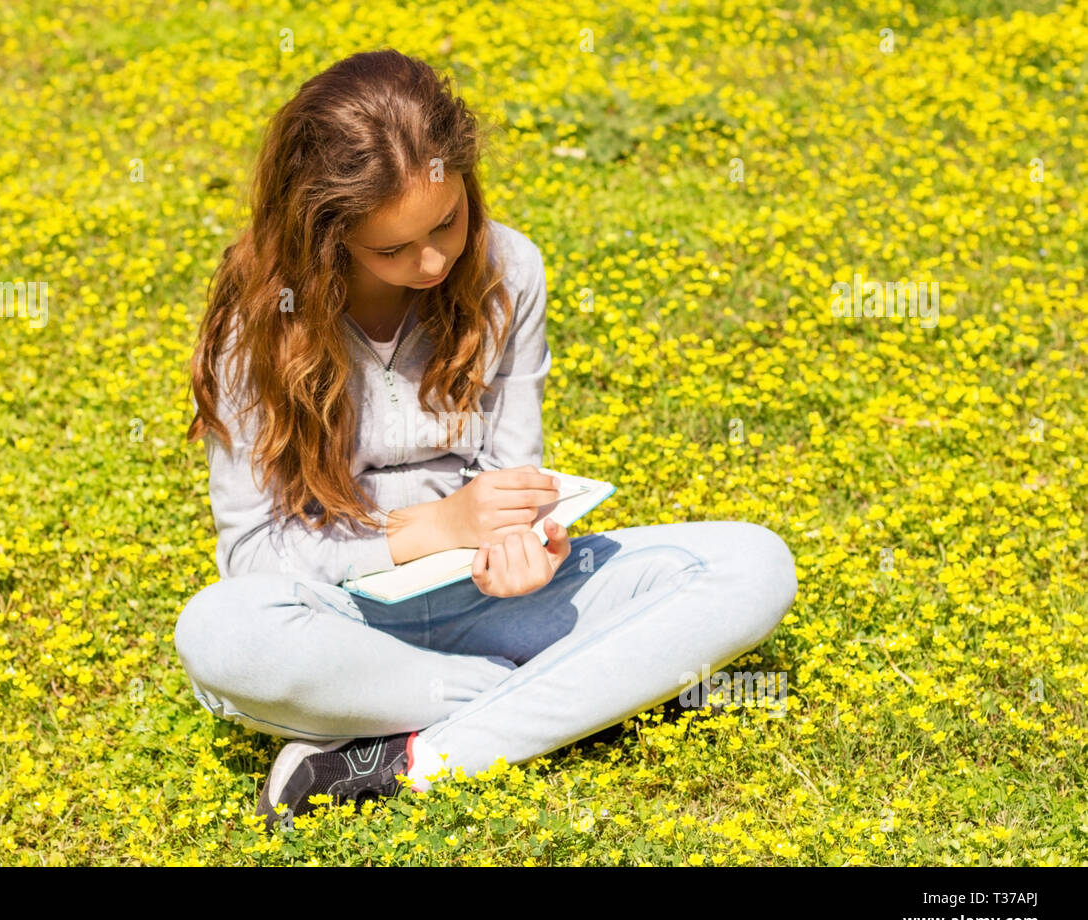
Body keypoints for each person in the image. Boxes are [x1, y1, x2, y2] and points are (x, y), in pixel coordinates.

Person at [175, 49, 798, 832]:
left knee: (752, 564)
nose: (433, 261)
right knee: (219, 634)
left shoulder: (509, 269)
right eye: (393, 250)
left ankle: (411, 760)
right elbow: (252, 556)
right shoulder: (259, 320)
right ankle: (568, 692)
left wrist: (525, 543)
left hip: (497, 604)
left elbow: (512, 471)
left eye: (447, 223)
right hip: (342, 624)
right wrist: (426, 530)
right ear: (323, 234)